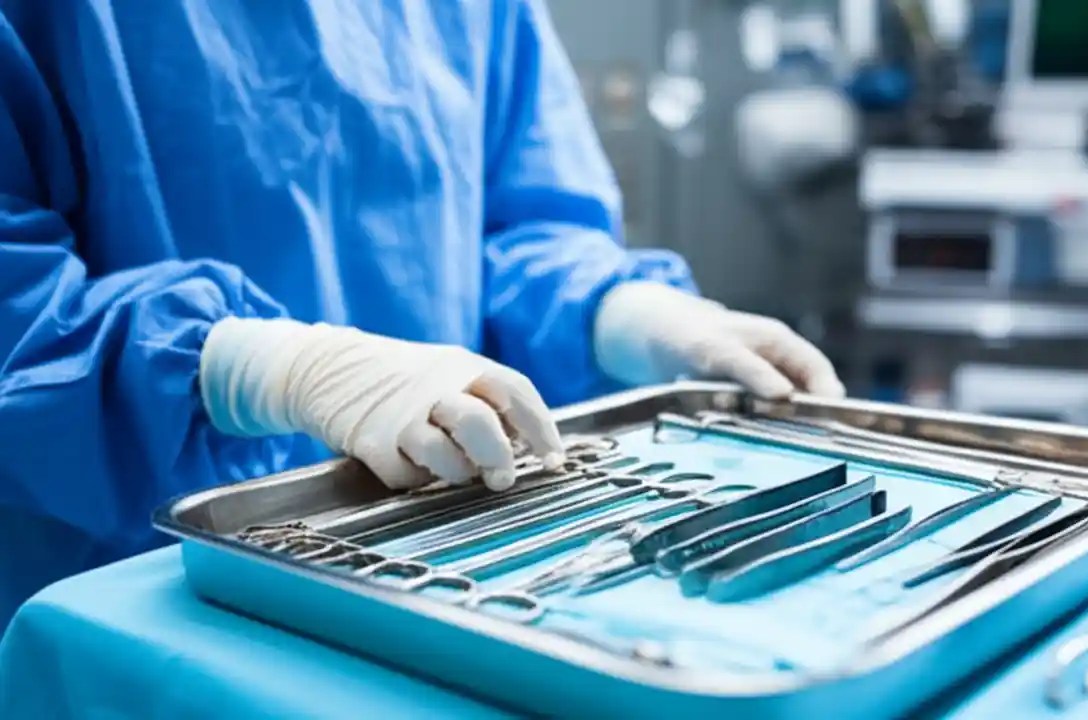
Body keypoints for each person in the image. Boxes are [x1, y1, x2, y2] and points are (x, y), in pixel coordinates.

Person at [0, 0, 844, 627]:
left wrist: (627, 314)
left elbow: (520, 221)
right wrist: (256, 369)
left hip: (445, 557)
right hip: (143, 592)